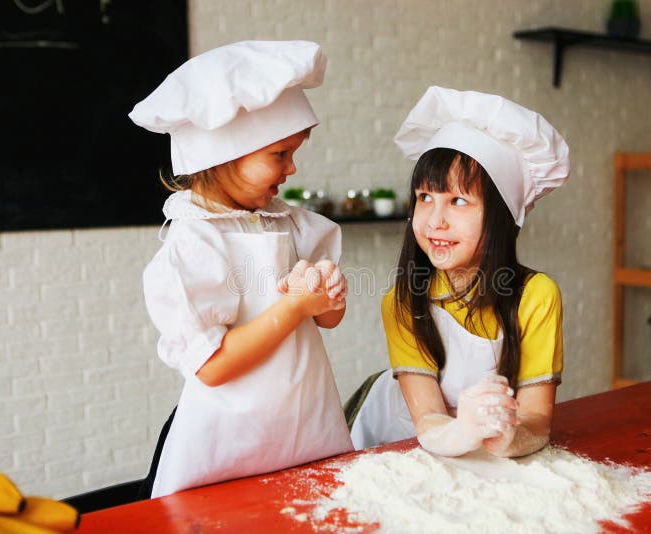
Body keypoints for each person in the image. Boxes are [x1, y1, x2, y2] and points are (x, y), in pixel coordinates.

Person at [129, 40, 353, 498]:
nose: (292, 168)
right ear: (224, 155)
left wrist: (327, 293)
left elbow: (329, 319)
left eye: (294, 152)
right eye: (279, 154)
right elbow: (211, 367)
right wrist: (293, 308)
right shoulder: (196, 243)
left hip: (305, 437)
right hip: (227, 456)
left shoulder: (288, 222)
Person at [348, 86, 569, 458]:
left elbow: (536, 422)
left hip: (470, 445)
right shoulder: (404, 300)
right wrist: (464, 430)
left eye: (458, 200)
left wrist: (507, 437)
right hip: (395, 437)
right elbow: (429, 420)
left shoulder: (536, 296)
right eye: (425, 197)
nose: (435, 220)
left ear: (501, 216)